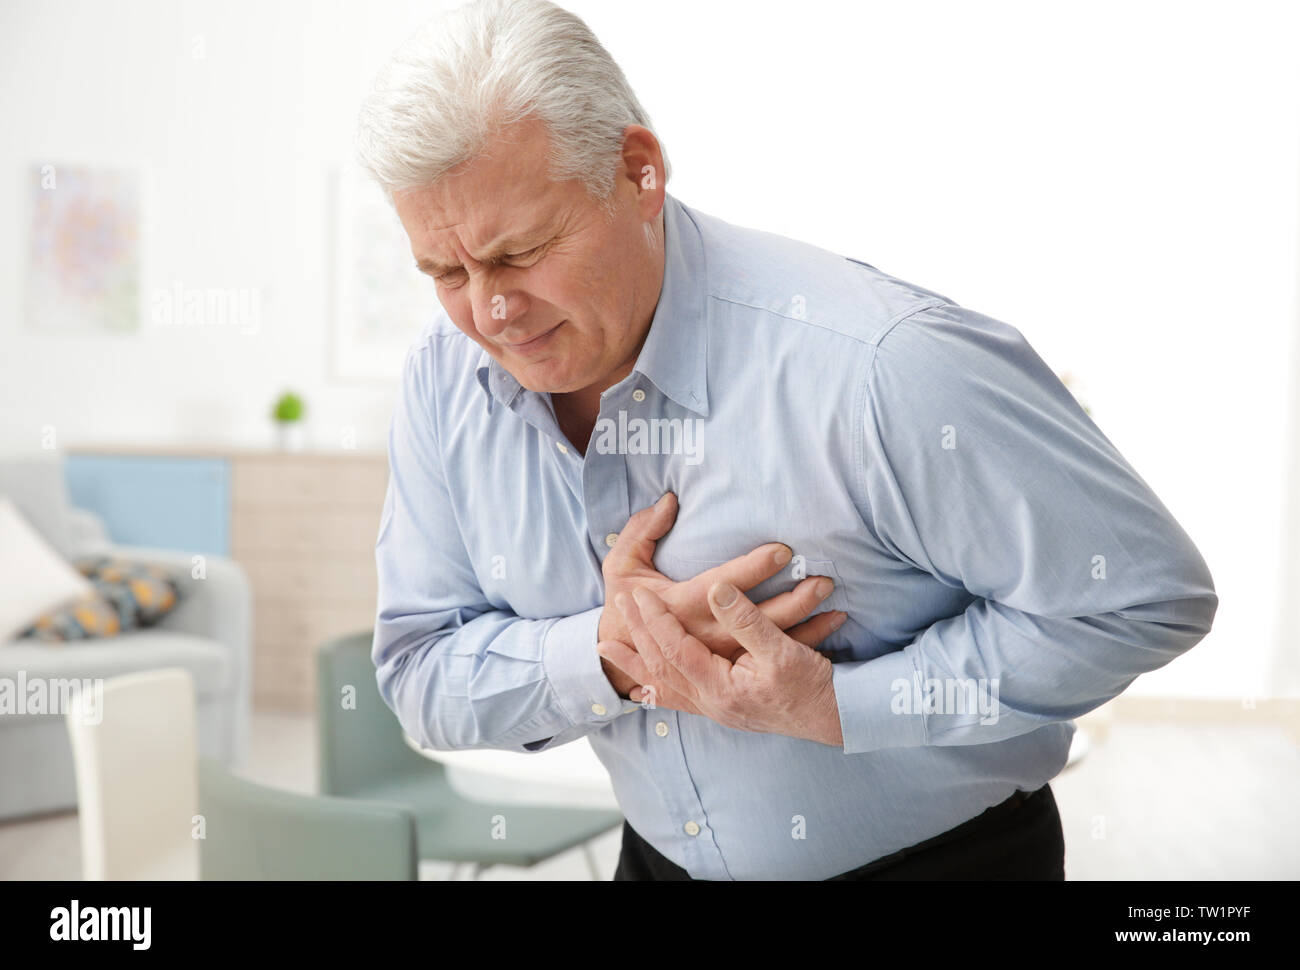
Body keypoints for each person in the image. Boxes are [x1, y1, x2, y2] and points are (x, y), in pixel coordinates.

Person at [357, 0, 1218, 880]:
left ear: (637, 171)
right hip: (653, 861)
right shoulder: (442, 379)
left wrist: (846, 705)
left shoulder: (885, 365)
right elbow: (421, 678)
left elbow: (1143, 600)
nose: (491, 312)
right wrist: (608, 649)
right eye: (447, 273)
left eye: (522, 251)